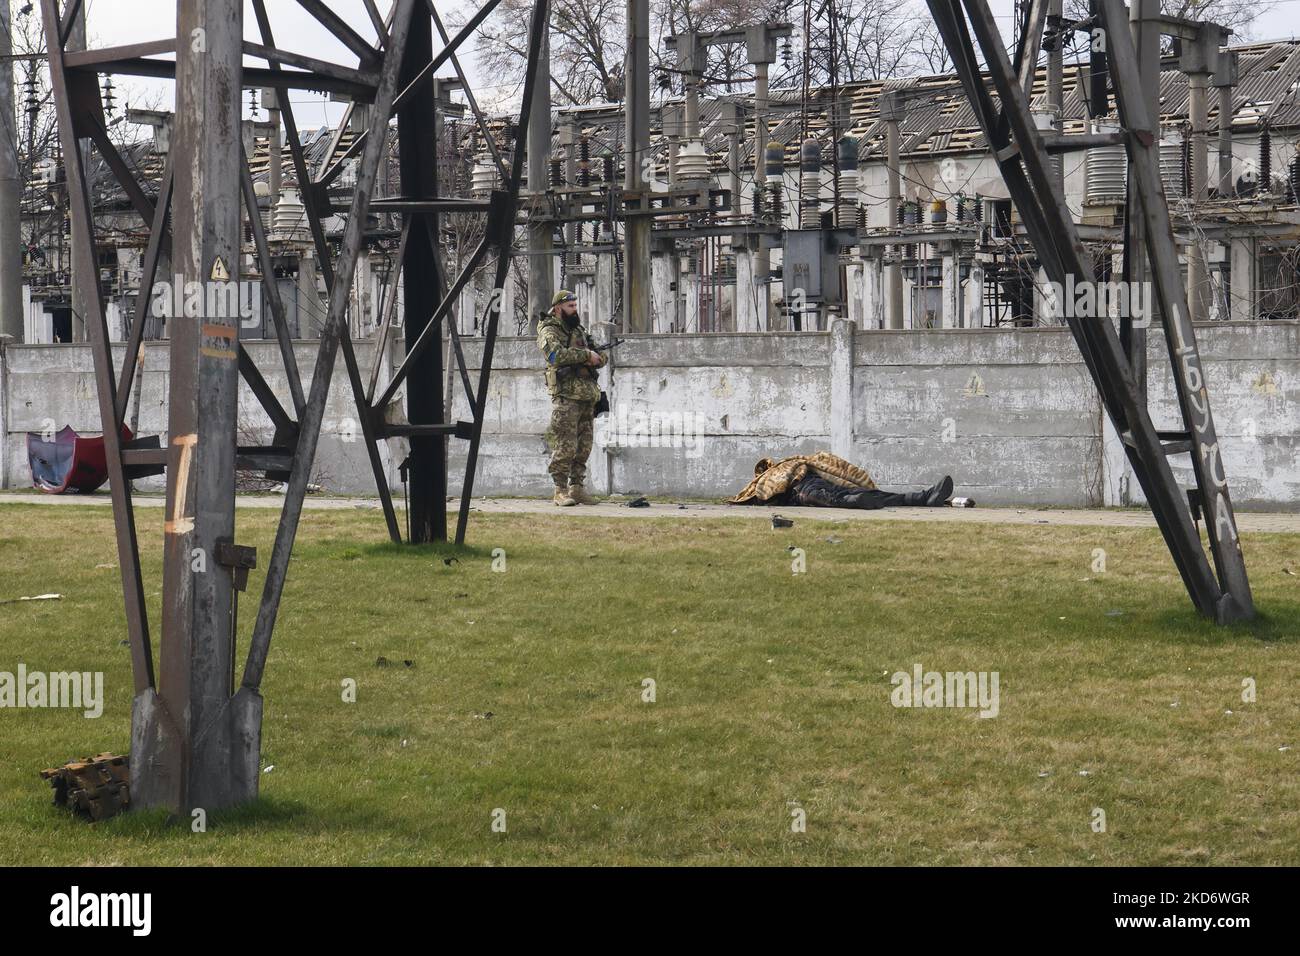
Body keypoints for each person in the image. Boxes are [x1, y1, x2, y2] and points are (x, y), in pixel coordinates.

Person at [537, 290, 606, 506]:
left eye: (575, 306)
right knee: (565, 445)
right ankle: (560, 490)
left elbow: (601, 357)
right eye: (571, 307)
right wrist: (586, 356)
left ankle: (577, 488)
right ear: (558, 309)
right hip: (566, 396)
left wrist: (594, 358)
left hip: (587, 396)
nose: (575, 310)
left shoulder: (579, 330)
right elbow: (555, 355)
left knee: (584, 445)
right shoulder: (549, 330)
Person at [728, 451, 954, 509]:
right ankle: (923, 497)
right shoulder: (791, 463)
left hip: (803, 487)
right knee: (871, 495)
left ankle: (853, 500)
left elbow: (757, 496)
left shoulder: (772, 475)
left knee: (830, 497)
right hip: (811, 481)